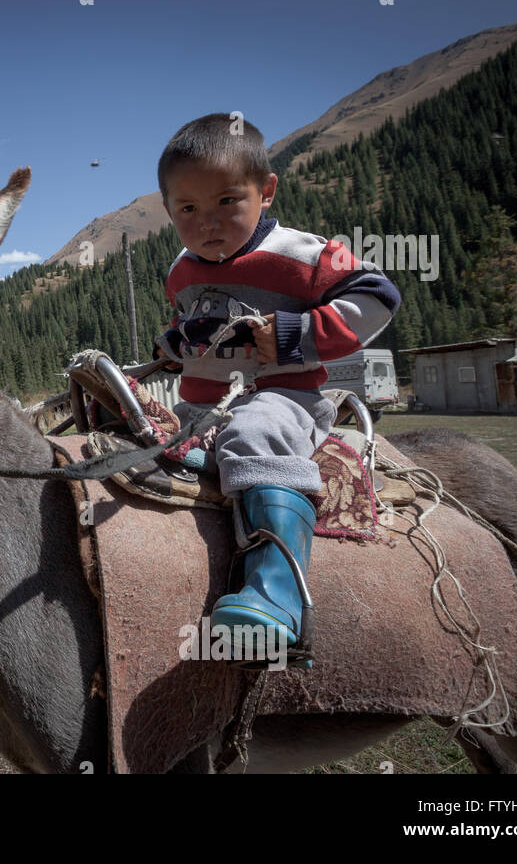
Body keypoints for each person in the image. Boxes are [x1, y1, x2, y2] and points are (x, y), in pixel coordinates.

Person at [152, 113, 402, 666]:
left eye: (226, 202)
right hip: (200, 405)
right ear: (168, 210)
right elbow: (192, 324)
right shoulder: (181, 270)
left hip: (284, 401)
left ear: (265, 192)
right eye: (188, 209)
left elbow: (378, 297)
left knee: (255, 431)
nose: (208, 222)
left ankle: (278, 594)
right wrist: (173, 347)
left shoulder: (304, 255)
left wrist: (298, 335)